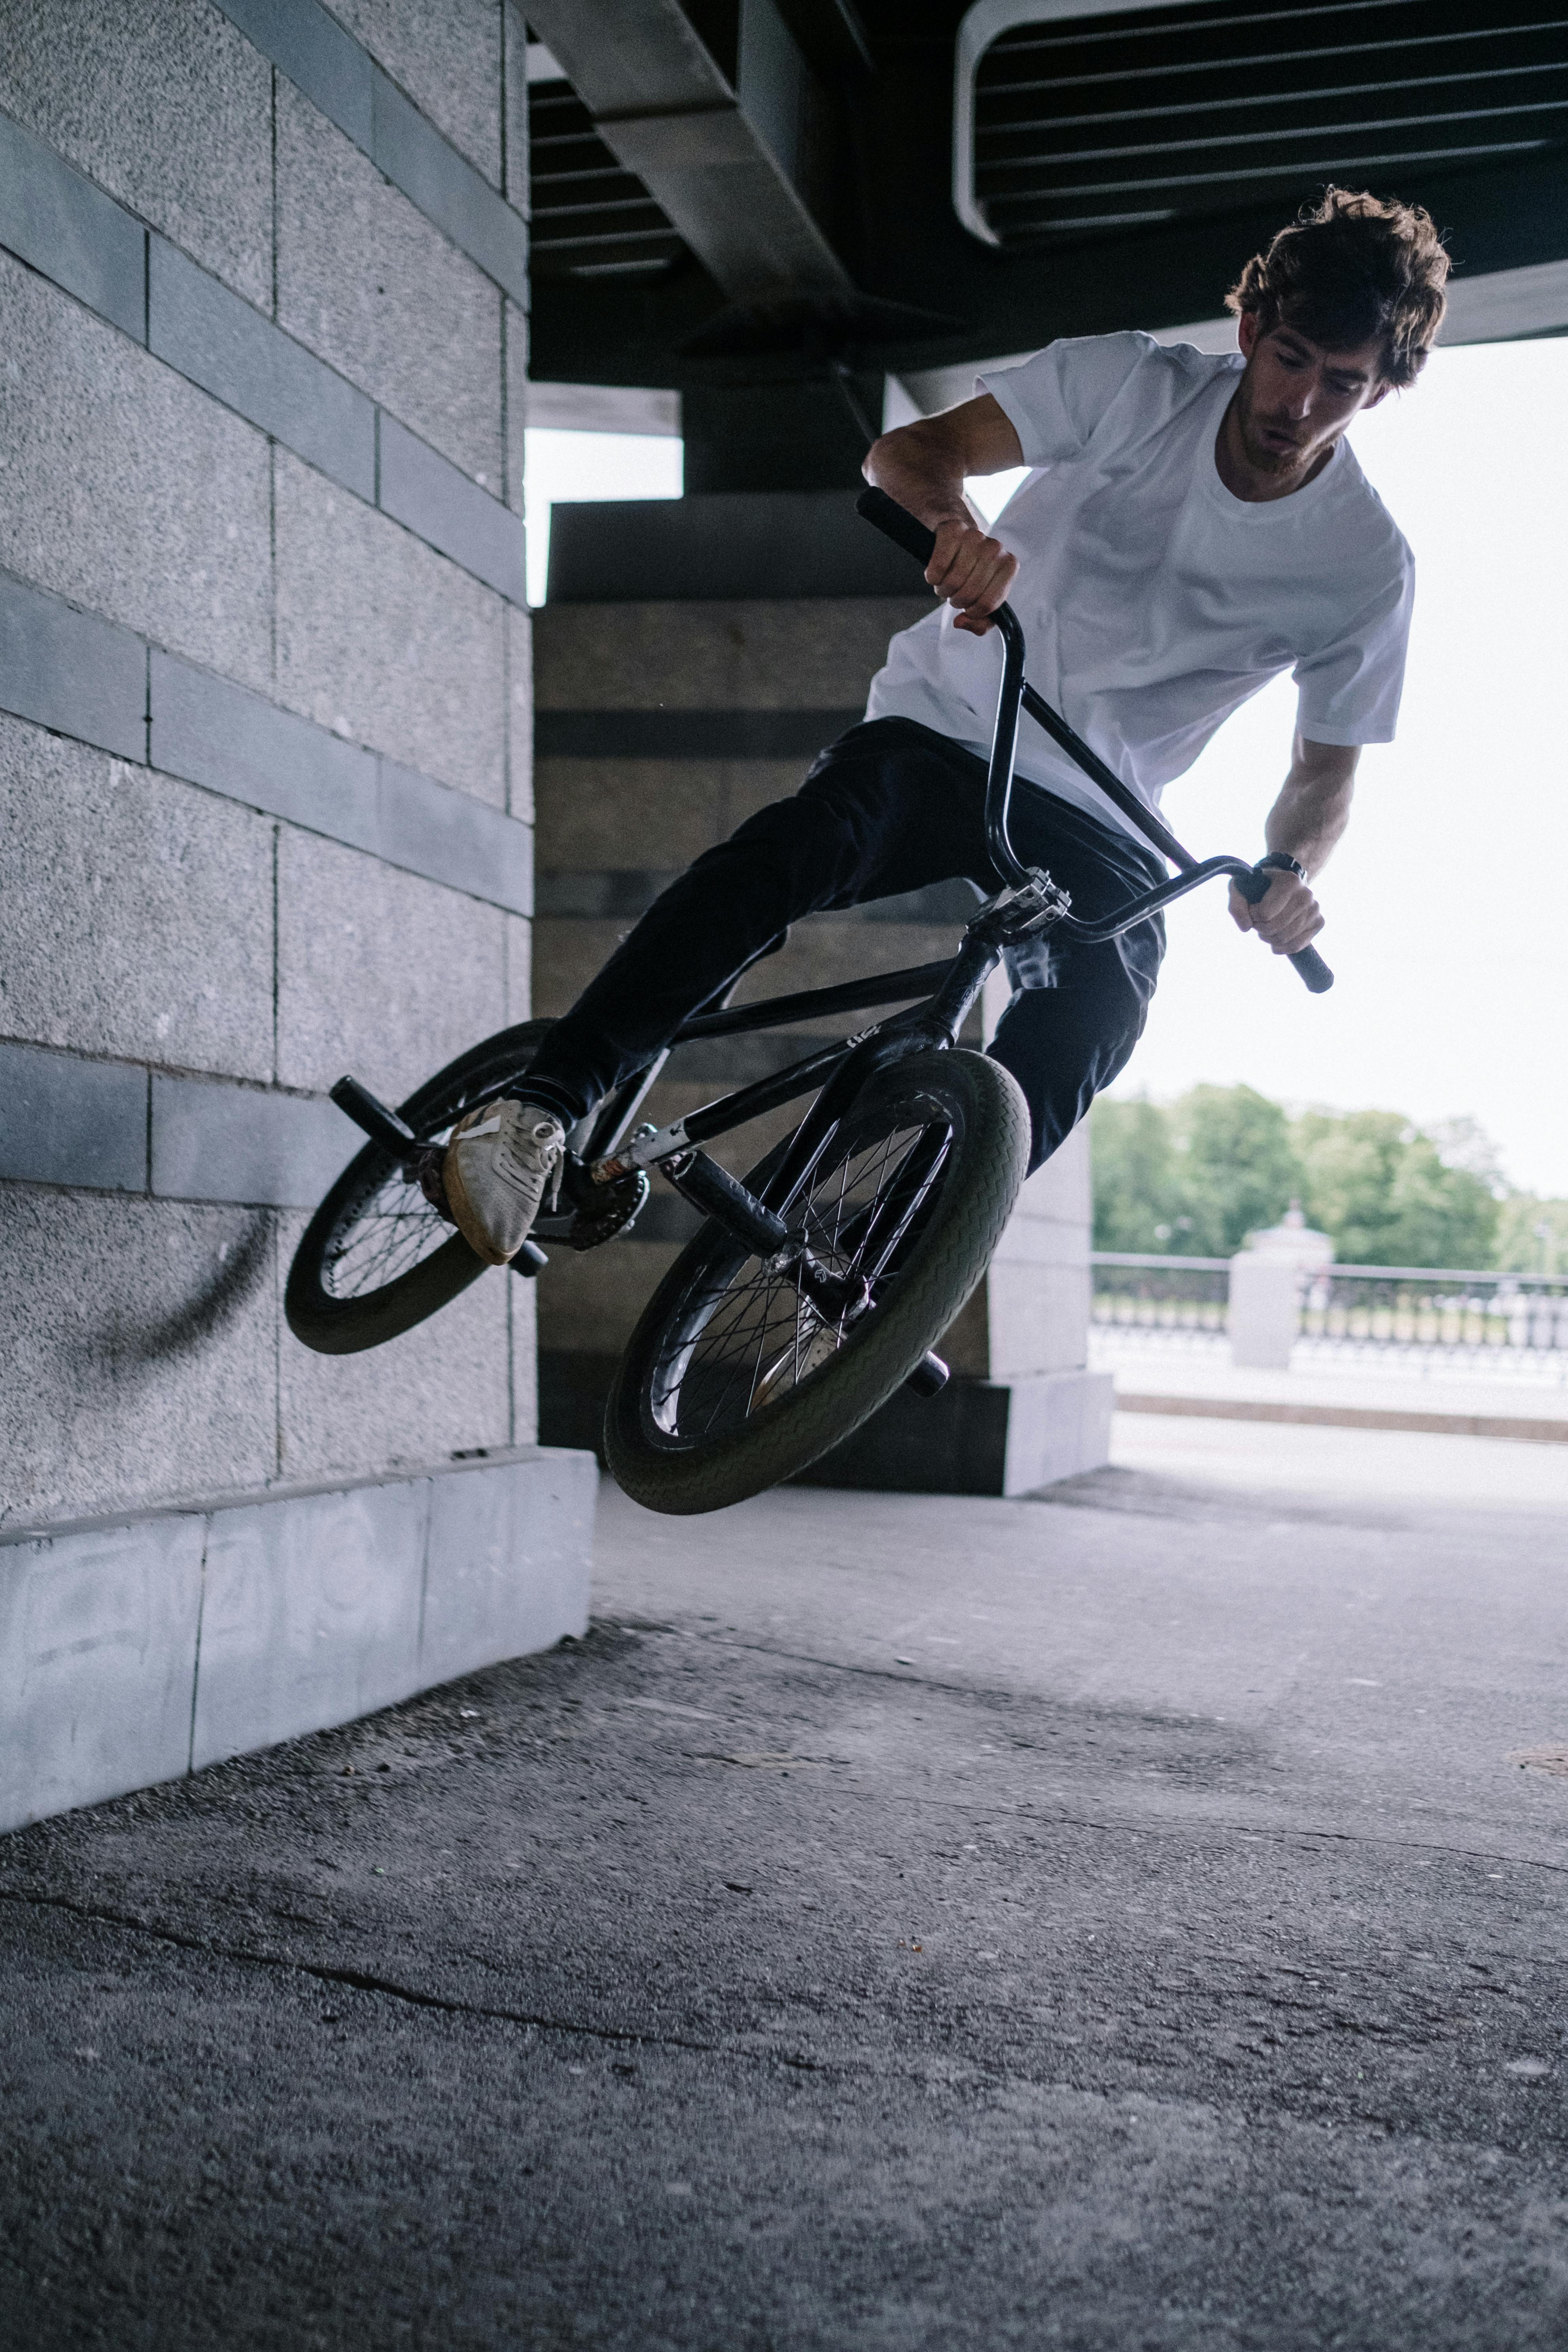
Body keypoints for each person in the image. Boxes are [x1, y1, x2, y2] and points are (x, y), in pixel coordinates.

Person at [441, 187, 1449, 1270]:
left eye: (1341, 383)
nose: (1299, 403)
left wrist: (1291, 866)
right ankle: (540, 1108)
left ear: (1382, 391)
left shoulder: (1363, 565)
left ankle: (871, 1270)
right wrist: (955, 531)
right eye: (1290, 357)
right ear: (1251, 331)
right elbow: (911, 452)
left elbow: (1323, 769)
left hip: (1104, 809)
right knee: (799, 850)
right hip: (952, 725)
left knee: (1100, 1012)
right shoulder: (1129, 384)